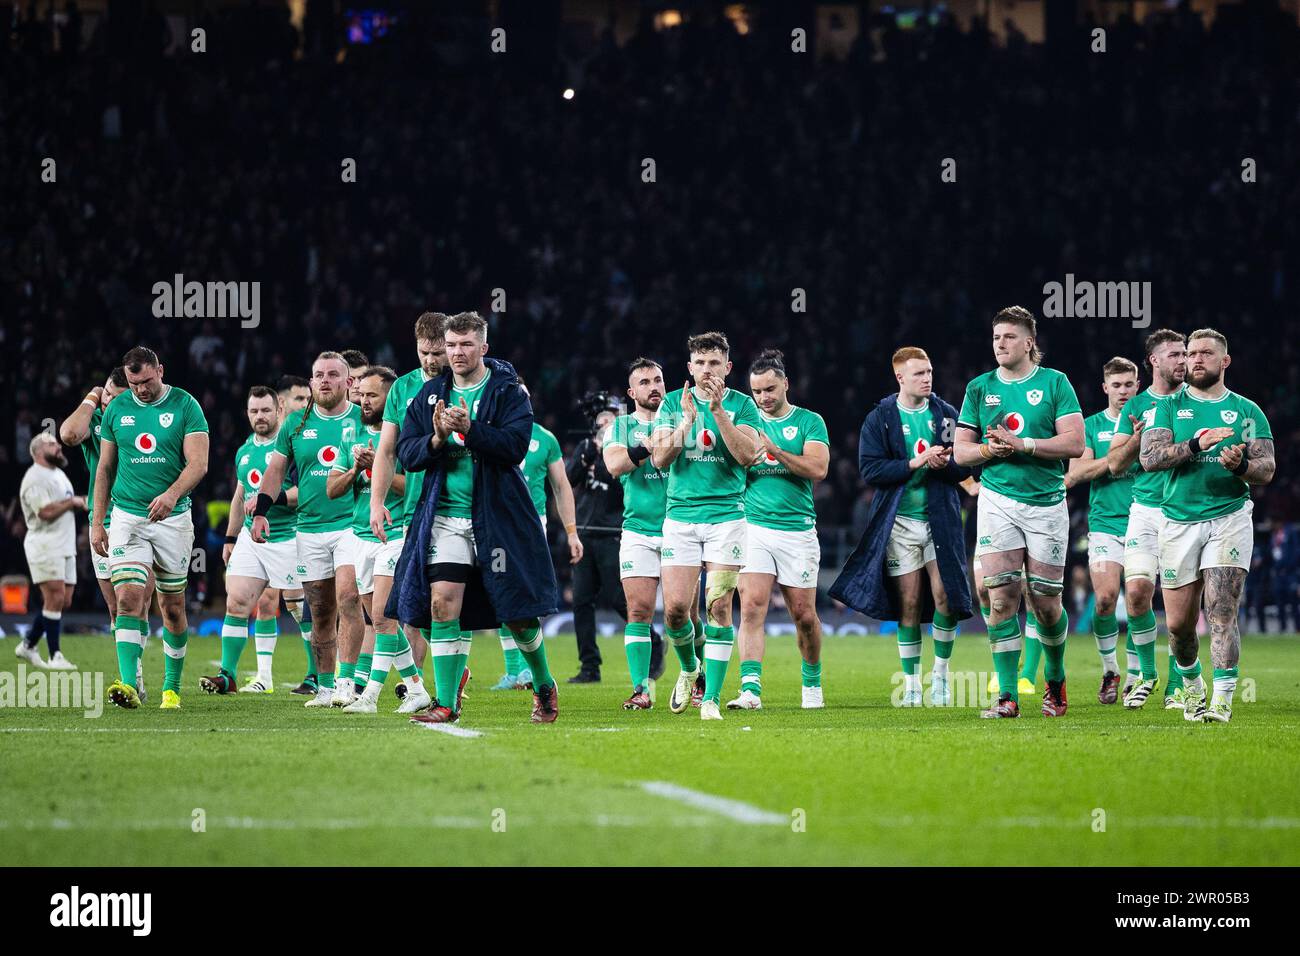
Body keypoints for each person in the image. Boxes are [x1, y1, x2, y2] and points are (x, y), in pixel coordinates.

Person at [389, 311, 561, 724]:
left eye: (466, 344)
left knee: (518, 614)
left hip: (497, 518)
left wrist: (470, 429)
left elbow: (516, 447)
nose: (457, 352)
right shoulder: (430, 394)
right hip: (445, 518)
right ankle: (446, 703)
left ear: (483, 347)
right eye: (451, 345)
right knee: (442, 605)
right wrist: (436, 437)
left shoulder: (508, 392)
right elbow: (408, 455)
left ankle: (543, 683)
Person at [953, 307, 1084, 719]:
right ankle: (1007, 696)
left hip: (1046, 503)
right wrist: (990, 451)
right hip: (997, 502)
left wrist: (1023, 444)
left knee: (1045, 602)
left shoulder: (1055, 383)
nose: (1000, 344)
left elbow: (1075, 444)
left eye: (1009, 337)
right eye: (996, 338)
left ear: (1029, 342)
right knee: (1001, 598)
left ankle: (1056, 679)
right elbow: (961, 452)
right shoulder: (979, 388)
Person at [1139, 328, 1275, 723]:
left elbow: (1266, 468)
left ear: (1224, 361)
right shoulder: (1166, 407)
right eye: (1190, 353)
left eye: (1204, 353)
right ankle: (1193, 684)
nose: (1194, 360)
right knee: (1180, 626)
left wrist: (1243, 466)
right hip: (1178, 519)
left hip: (1229, 515)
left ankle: (1223, 700)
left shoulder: (1247, 412)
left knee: (1221, 611)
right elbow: (1151, 458)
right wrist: (1197, 444)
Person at [831, 346, 973, 706]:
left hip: (940, 520)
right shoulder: (881, 418)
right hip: (899, 524)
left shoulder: (946, 415)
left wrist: (947, 465)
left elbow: (965, 465)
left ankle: (939, 678)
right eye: (919, 374)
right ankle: (911, 683)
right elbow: (871, 470)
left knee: (945, 597)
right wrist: (915, 462)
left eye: (929, 372)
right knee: (908, 603)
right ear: (900, 378)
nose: (927, 378)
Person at [650, 330, 761, 721]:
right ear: (689, 367)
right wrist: (686, 421)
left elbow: (748, 456)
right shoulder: (670, 404)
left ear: (727, 368)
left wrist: (716, 413)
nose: (706, 370)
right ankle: (689, 668)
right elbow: (660, 459)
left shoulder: (744, 406)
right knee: (677, 611)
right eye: (699, 363)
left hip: (726, 520)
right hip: (680, 519)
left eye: (714, 363)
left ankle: (710, 698)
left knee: (717, 607)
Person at [92, 346, 210, 710]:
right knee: (127, 598)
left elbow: (199, 463)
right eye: (133, 383)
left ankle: (171, 687)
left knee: (172, 607)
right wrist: (98, 522)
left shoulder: (186, 405)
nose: (140, 389)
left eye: (145, 381)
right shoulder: (117, 409)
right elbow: (105, 469)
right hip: (128, 517)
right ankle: (129, 685)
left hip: (173, 520)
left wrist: (172, 495)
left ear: (160, 369)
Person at [252, 351, 365, 708]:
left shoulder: (362, 418)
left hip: (352, 524)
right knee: (320, 612)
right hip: (309, 527)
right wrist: (261, 510)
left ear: (349, 382)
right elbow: (276, 471)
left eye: (334, 374)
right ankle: (327, 687)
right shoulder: (295, 424)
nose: (325, 380)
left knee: (349, 598)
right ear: (312, 381)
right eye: (319, 375)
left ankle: (349, 682)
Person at [730, 350, 830, 710]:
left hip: (798, 531)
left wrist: (774, 451)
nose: (763, 398)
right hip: (754, 527)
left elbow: (817, 468)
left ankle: (812, 682)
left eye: (770, 389)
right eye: (756, 392)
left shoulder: (809, 421)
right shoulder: (745, 422)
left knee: (804, 616)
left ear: (786, 384)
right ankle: (751, 690)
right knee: (753, 605)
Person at [329, 365, 430, 713]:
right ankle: (416, 688)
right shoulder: (350, 434)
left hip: (397, 529)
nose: (364, 400)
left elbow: (411, 484)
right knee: (377, 617)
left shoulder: (405, 434)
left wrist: (376, 472)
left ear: (391, 397)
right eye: (362, 394)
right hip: (363, 534)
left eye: (373, 395)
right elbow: (332, 488)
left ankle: (368, 695)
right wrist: (360, 469)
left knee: (384, 615)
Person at [604, 357, 694, 709]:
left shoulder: (681, 420)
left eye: (658, 380)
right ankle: (641, 689)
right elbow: (613, 464)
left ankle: (694, 674)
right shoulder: (621, 426)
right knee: (638, 611)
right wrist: (648, 447)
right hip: (638, 529)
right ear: (631, 392)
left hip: (680, 527)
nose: (654, 386)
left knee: (684, 613)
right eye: (644, 382)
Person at [1105, 329, 1187, 708]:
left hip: (1184, 512)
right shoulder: (1136, 407)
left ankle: (1177, 683)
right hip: (1144, 509)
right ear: (1153, 361)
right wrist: (1138, 439)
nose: (1183, 361)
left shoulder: (1195, 401)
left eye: (1185, 353)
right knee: (1137, 594)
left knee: (1177, 607)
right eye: (1174, 354)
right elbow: (1115, 463)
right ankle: (1148, 676)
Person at [59, 366, 154, 695]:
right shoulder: (97, 424)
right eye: (107, 397)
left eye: (118, 397)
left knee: (139, 602)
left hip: (142, 519)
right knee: (117, 607)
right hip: (104, 521)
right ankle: (134, 676)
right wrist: (92, 396)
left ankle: (134, 677)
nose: (111, 404)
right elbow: (69, 435)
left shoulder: (144, 419)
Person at [200, 386, 299, 696]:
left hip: (290, 537)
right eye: (254, 411)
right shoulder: (244, 451)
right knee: (238, 601)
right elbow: (240, 496)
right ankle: (227, 675)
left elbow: (306, 493)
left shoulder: (292, 448)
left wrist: (270, 500)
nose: (260, 416)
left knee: (303, 609)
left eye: (265, 410)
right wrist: (230, 537)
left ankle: (316, 676)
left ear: (278, 409)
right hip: (250, 538)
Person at [370, 312, 448, 707]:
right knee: (411, 603)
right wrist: (377, 501)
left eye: (437, 352)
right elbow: (386, 450)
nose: (431, 361)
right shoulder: (401, 389)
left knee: (447, 599)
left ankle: (446, 682)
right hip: (412, 511)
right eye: (424, 352)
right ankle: (421, 687)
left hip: (458, 507)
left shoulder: (467, 382)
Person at [491, 379, 583, 690]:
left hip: (532, 526)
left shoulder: (545, 439)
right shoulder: (489, 435)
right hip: (494, 525)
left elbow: (561, 486)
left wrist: (571, 531)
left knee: (527, 595)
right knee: (501, 593)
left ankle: (529, 671)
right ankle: (512, 671)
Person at [1064, 357, 1140, 704]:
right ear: (1105, 387)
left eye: (1129, 384)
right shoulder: (1092, 425)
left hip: (1146, 522)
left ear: (1137, 386)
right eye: (1117, 385)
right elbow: (1076, 473)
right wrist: (1116, 459)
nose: (1123, 391)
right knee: (1106, 598)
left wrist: (1106, 461)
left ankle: (1137, 676)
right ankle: (1111, 670)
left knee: (1139, 600)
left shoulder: (1153, 423)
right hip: (1105, 524)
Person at [565, 395, 625, 683]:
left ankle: (652, 644)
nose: (605, 423)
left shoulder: (625, 450)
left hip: (613, 533)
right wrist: (586, 455)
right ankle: (589, 667)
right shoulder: (586, 447)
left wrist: (602, 457)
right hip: (586, 533)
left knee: (619, 599)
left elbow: (617, 483)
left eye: (610, 418)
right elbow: (568, 480)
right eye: (601, 420)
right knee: (581, 602)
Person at [17, 432, 84, 671]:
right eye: (52, 444)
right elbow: (43, 512)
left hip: (64, 544)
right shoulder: (34, 478)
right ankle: (55, 655)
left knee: (63, 599)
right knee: (54, 597)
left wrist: (79, 503)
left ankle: (28, 644)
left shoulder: (59, 475)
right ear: (37, 452)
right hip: (45, 544)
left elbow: (62, 506)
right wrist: (73, 502)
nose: (58, 446)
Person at [274, 374, 319, 695]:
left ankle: (322, 673)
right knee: (294, 607)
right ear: (282, 403)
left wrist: (266, 501)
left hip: (301, 531)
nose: (306, 405)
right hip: (269, 535)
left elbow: (307, 489)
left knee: (316, 605)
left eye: (308, 399)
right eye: (299, 399)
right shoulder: (263, 441)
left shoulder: (308, 435)